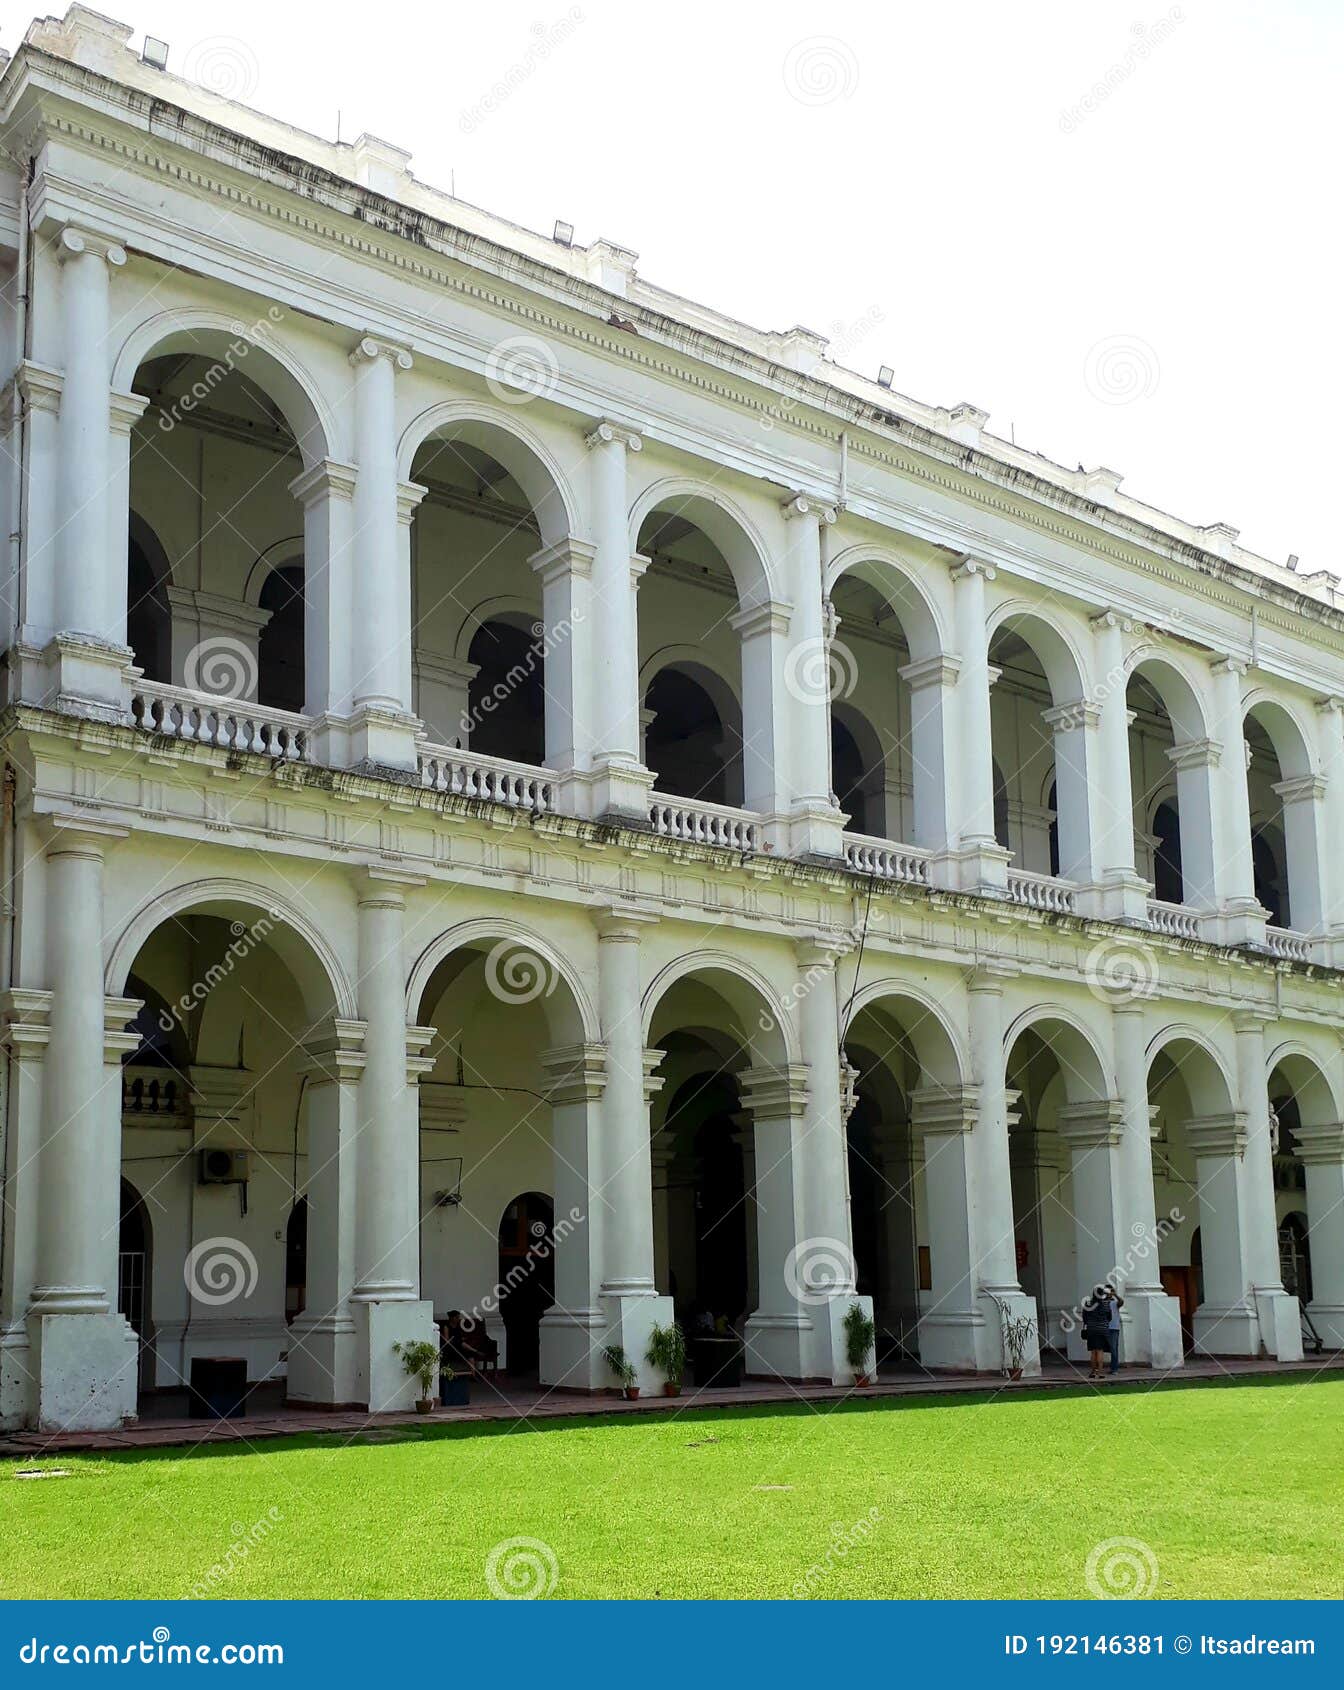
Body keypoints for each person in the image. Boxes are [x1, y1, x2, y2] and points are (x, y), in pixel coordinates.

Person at [1081, 1287, 1109, 1380]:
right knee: (1100, 1351)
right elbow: (1109, 1316)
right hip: (1102, 1329)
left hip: (1091, 1329)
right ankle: (1100, 1372)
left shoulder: (1088, 1303)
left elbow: (1084, 1316)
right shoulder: (1105, 1304)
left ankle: (1093, 1371)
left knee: (1093, 1351)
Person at [1104, 1284, 1125, 1376]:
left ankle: (1114, 1368)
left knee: (1113, 1349)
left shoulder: (1115, 1302)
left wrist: (1115, 1294)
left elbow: (1121, 1301)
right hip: (1104, 1327)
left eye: (1110, 1291)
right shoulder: (1102, 1302)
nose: (1108, 1293)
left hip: (1113, 1328)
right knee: (1100, 1349)